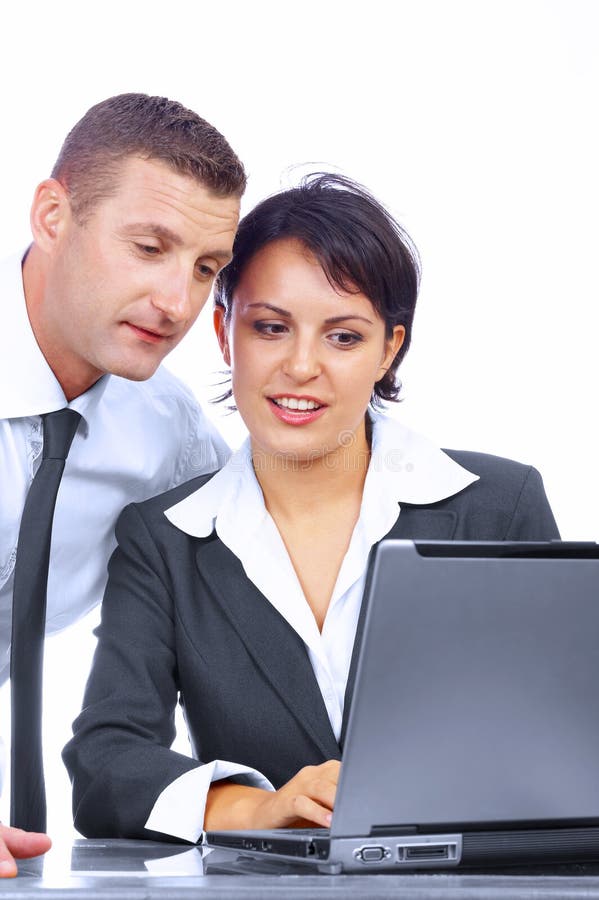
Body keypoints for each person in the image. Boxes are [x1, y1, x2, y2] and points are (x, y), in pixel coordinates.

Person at [63, 174, 559, 843]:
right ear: (223, 330)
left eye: (343, 337)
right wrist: (256, 808)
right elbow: (105, 765)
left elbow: (566, 743)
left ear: (389, 348)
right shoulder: (164, 539)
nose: (300, 366)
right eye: (270, 327)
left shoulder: (498, 509)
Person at [0, 92, 245, 875]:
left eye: (206, 268)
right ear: (51, 216)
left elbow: (275, 534)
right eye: (149, 247)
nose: (177, 304)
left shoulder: (166, 433)